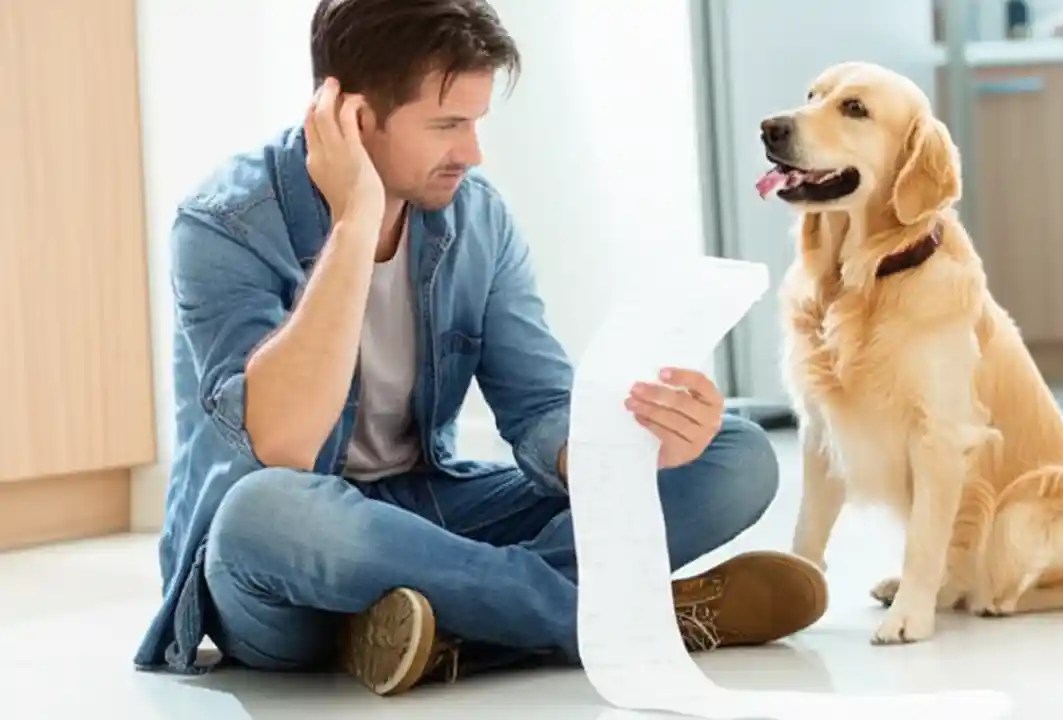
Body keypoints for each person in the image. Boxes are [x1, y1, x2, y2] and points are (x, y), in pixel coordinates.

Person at [133, 0, 828, 697]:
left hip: (431, 509)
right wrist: (353, 223)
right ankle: (624, 616)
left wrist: (634, 444)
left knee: (735, 457)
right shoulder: (225, 222)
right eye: (447, 126)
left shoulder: (476, 215)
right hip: (285, 560)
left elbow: (539, 406)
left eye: (475, 122)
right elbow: (281, 445)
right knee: (267, 511)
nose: (471, 152)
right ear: (349, 114)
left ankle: (438, 623)